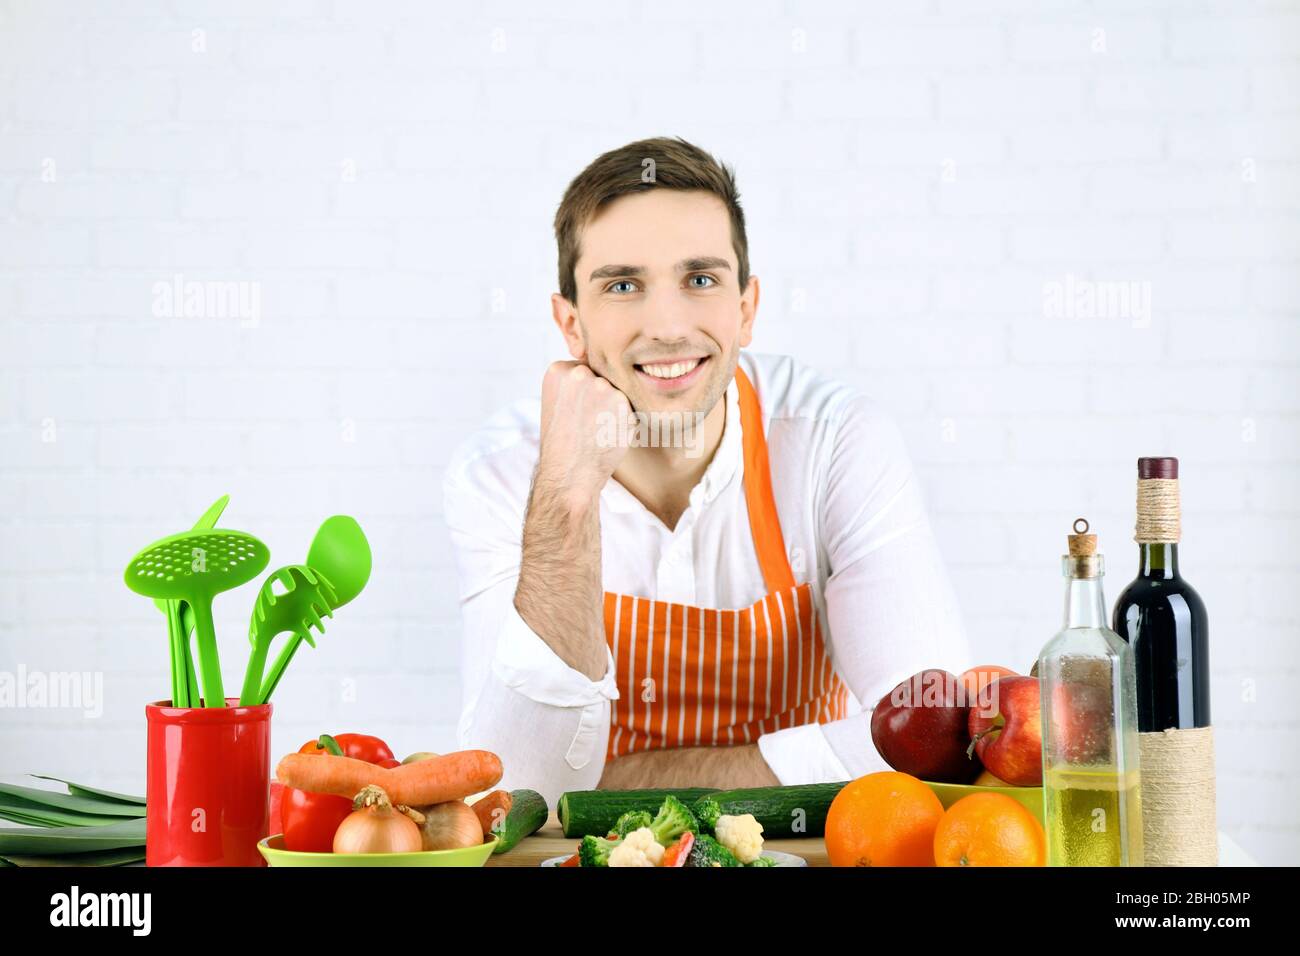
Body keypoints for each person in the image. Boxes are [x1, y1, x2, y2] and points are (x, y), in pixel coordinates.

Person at [443, 136, 970, 805]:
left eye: (699, 280)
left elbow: (939, 738)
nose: (666, 325)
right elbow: (512, 786)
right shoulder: (503, 473)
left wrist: (608, 784)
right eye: (624, 285)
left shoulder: (834, 443)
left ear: (745, 308)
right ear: (570, 324)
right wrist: (566, 500)